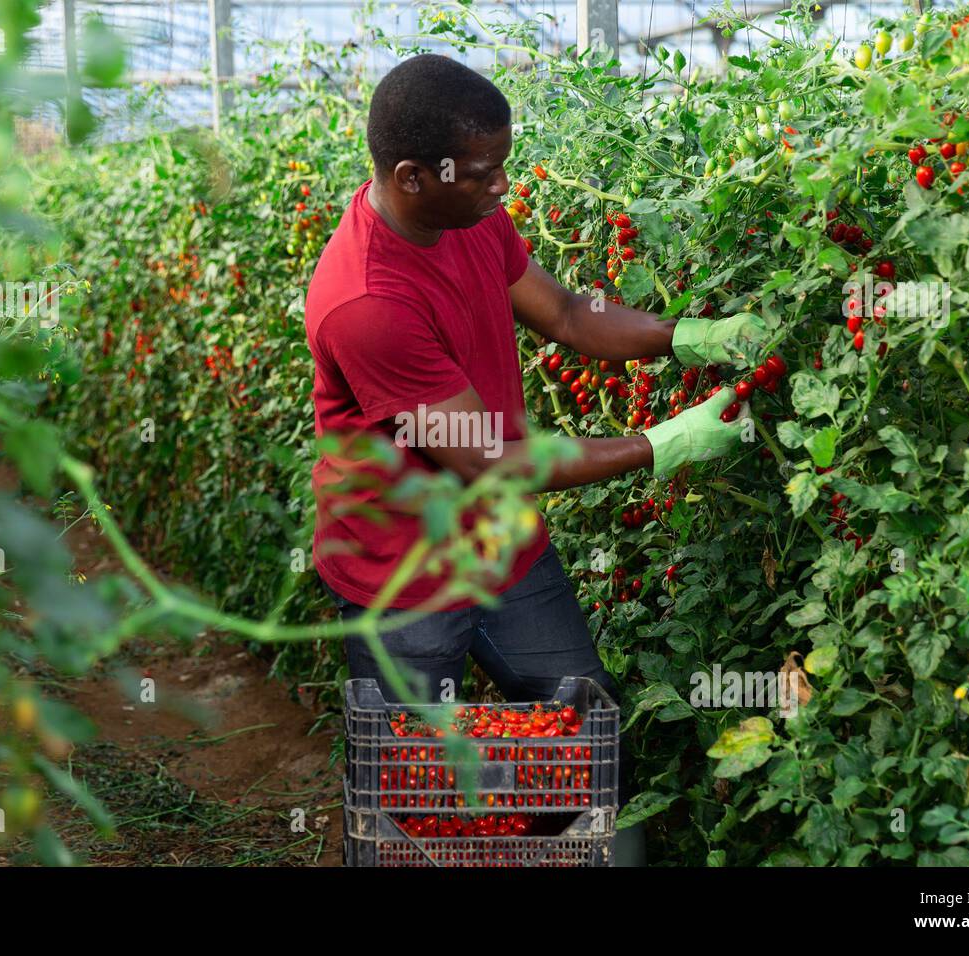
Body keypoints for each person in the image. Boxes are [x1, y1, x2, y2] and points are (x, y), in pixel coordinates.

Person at [304, 54, 765, 863]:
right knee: (411, 786)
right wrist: (659, 444)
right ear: (413, 177)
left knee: (584, 721)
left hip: (500, 543)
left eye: (502, 167)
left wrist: (686, 338)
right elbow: (492, 461)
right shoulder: (367, 301)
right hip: (401, 575)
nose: (503, 188)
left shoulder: (469, 216)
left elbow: (566, 315)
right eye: (486, 173)